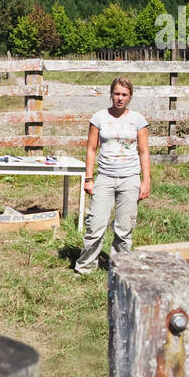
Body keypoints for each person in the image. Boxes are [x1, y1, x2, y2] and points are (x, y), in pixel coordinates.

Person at [74, 76, 150, 276]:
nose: (120, 98)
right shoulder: (99, 118)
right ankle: (85, 267)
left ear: (130, 97)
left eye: (124, 95)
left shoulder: (138, 121)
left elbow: (144, 152)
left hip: (130, 178)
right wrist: (89, 178)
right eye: (117, 93)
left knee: (124, 229)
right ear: (111, 94)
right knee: (95, 226)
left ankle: (121, 269)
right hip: (105, 177)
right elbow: (91, 149)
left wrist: (146, 180)